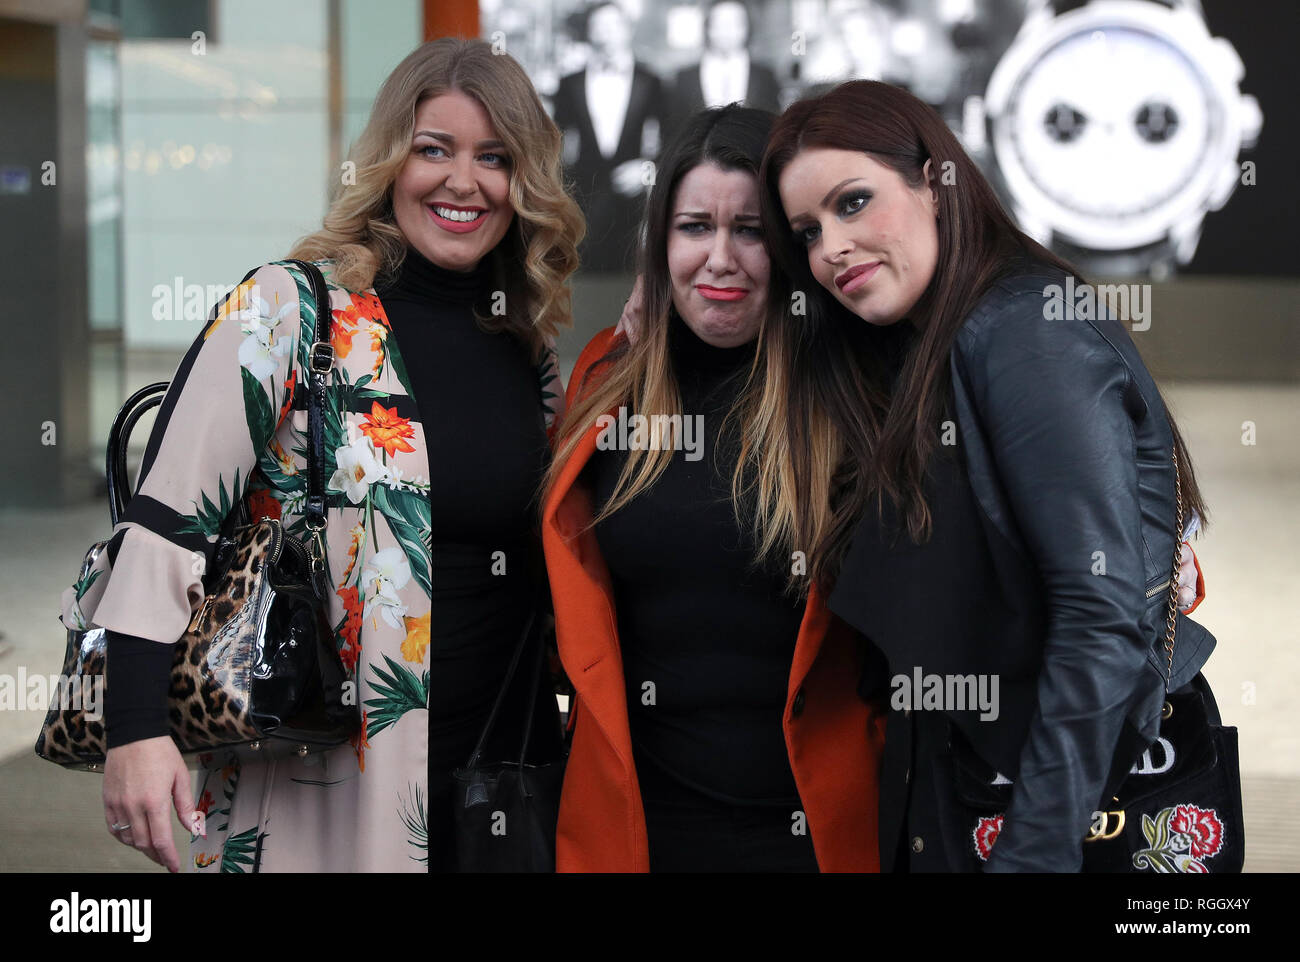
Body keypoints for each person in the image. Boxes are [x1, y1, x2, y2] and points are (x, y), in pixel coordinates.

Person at [64, 37, 583, 872]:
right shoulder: (290, 309)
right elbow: (165, 524)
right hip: (325, 776)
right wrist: (134, 731)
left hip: (498, 781)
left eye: (496, 156)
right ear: (385, 163)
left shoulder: (527, 344)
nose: (464, 180)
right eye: (433, 149)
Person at [758, 79, 1216, 871]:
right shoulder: (919, 344)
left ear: (935, 183)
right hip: (967, 790)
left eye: (854, 202)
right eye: (806, 231)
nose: (829, 246)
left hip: (1049, 809)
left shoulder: (1023, 327)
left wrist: (1034, 854)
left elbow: (1096, 613)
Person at [541, 104, 883, 872]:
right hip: (641, 833)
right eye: (695, 227)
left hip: (816, 836)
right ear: (659, 244)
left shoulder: (852, 396)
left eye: (752, 231)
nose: (720, 258)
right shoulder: (606, 385)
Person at [552, 0, 666, 272]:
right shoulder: (570, 83)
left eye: (614, 25)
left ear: (628, 30)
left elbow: (671, 135)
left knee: (631, 274)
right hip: (583, 195)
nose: (606, 33)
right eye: (599, 26)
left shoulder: (651, 80)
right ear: (590, 32)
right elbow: (555, 139)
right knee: (584, 272)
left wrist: (647, 168)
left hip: (634, 198)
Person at [666, 0, 782, 141]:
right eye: (719, 23)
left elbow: (774, 127)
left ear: (747, 27)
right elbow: (672, 133)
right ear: (707, 27)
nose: (727, 31)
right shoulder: (684, 79)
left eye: (735, 23)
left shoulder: (765, 77)